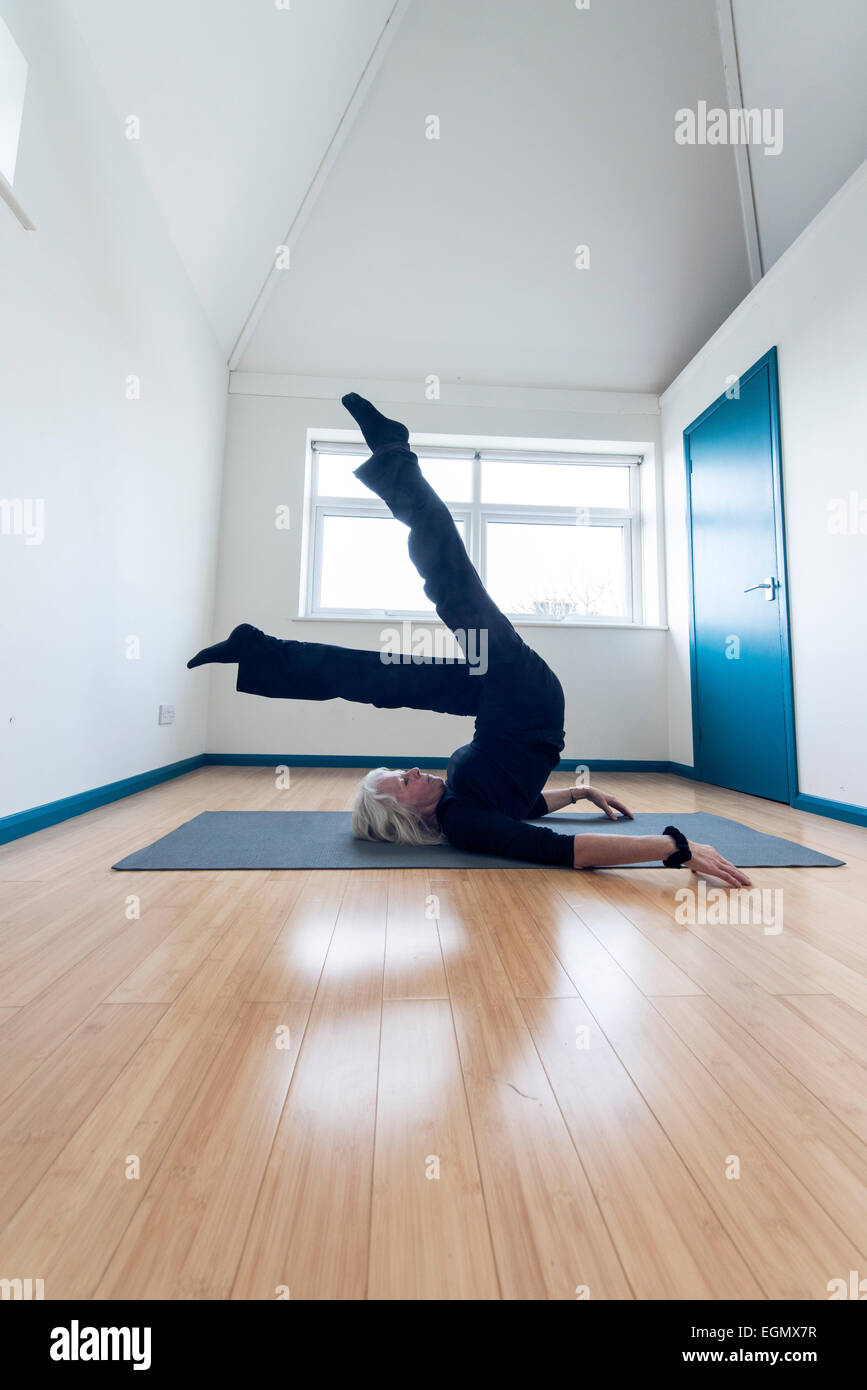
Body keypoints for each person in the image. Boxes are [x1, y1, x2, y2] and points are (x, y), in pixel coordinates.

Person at [188, 394, 751, 887]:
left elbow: (522, 807)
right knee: (451, 586)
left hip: (497, 699)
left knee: (379, 677)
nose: (411, 772)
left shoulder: (466, 805)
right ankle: (393, 456)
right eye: (402, 783)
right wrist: (676, 850)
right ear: (405, 818)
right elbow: (561, 851)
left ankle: (259, 653)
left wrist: (578, 794)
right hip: (521, 698)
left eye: (400, 772)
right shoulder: (464, 824)